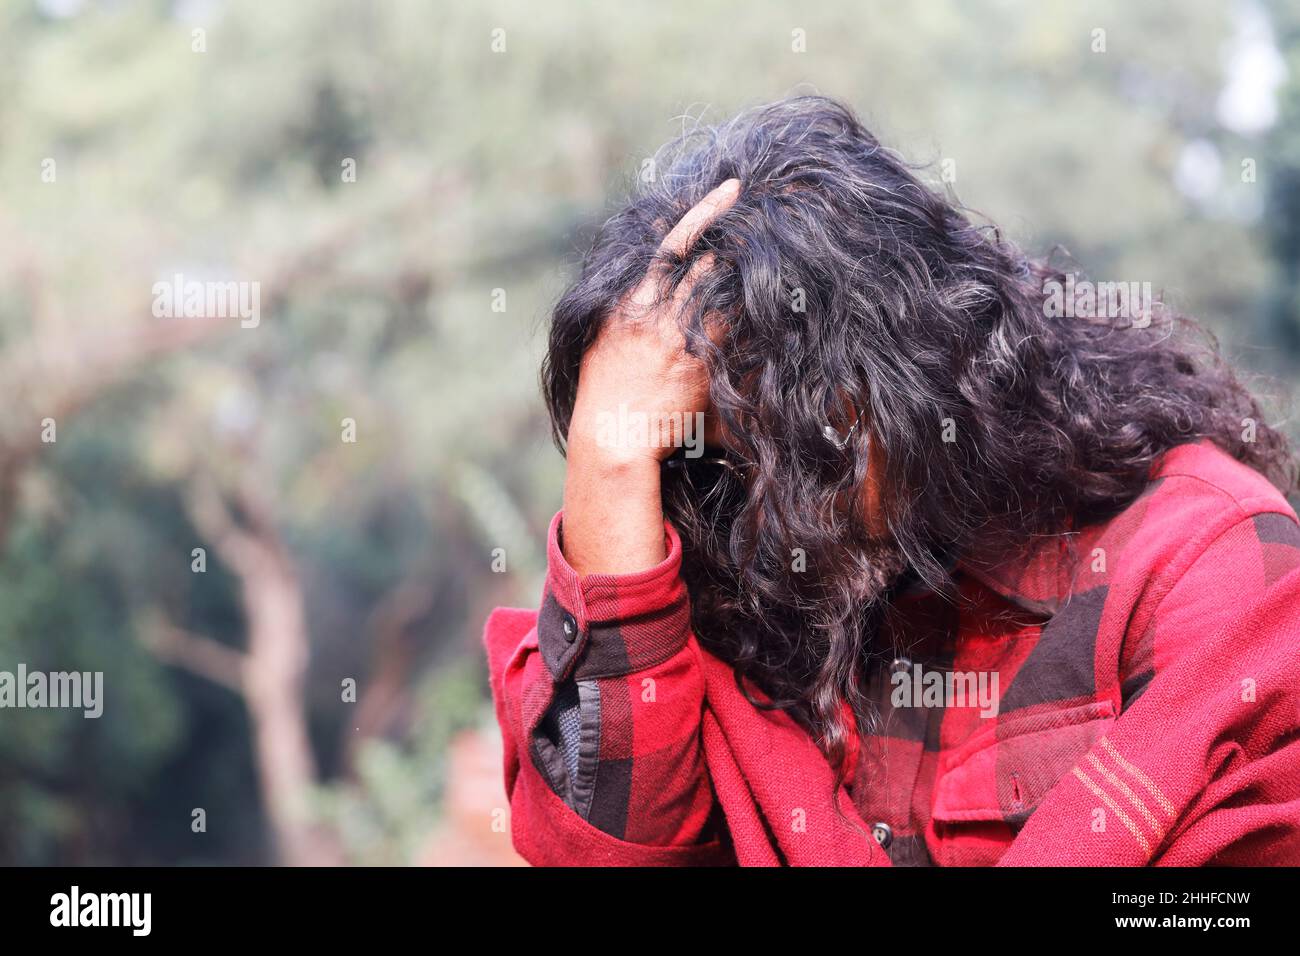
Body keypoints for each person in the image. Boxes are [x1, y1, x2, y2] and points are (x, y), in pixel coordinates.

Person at [484, 96, 1300, 866]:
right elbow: (601, 849)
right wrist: (611, 456)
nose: (776, 512)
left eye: (813, 451)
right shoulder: (741, 581)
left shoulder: (1204, 561)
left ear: (931, 369)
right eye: (730, 462)